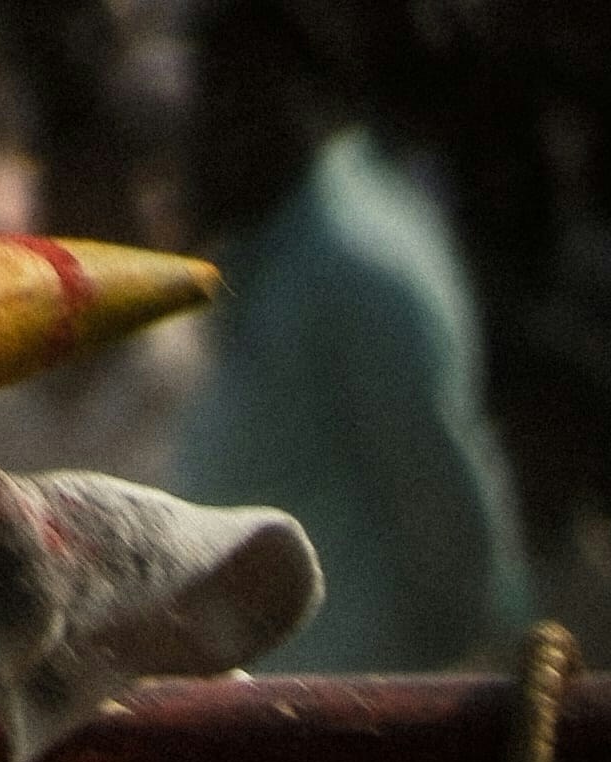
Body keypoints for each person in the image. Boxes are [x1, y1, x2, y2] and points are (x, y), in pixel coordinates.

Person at [169, 0, 532, 678]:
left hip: (352, 710)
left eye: (251, 84)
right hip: (270, 702)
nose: (221, 115)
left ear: (315, 88)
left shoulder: (357, 260)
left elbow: (445, 509)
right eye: (215, 85)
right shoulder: (273, 245)